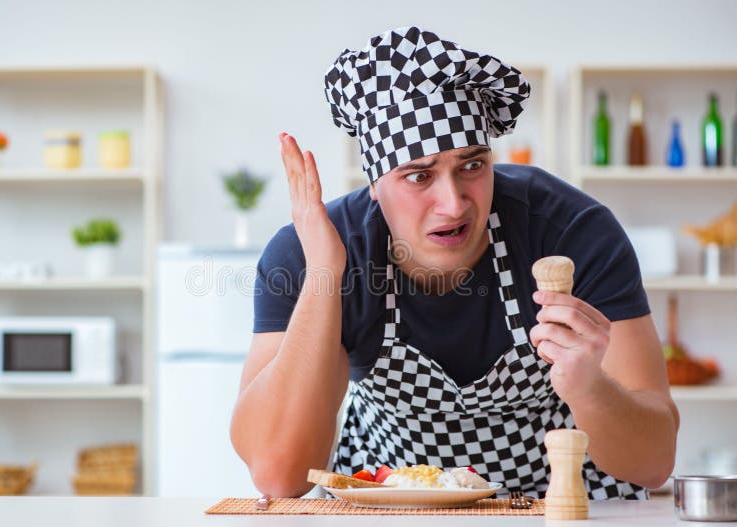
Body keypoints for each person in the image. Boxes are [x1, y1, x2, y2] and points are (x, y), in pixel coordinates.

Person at [230, 26, 679, 499]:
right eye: (419, 176)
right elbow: (279, 476)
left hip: (565, 504)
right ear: (374, 184)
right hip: (385, 504)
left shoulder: (570, 231)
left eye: (472, 166)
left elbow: (654, 464)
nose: (454, 204)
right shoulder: (313, 248)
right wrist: (323, 272)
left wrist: (589, 385)